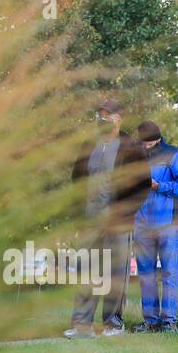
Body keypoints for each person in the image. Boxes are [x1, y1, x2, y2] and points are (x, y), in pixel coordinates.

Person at [65, 99, 150, 338]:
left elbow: (142, 185)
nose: (102, 120)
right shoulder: (88, 145)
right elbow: (76, 181)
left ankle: (113, 324)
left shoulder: (131, 146)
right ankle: (81, 325)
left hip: (119, 222)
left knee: (115, 274)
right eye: (99, 115)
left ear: (118, 118)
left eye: (107, 115)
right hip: (90, 220)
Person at [131, 121, 178, 333]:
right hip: (141, 222)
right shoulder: (135, 156)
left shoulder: (174, 155)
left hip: (168, 222)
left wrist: (160, 186)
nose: (146, 147)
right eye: (143, 143)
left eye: (149, 143)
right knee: (146, 274)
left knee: (169, 273)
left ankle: (169, 320)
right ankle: (150, 320)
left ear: (158, 138)